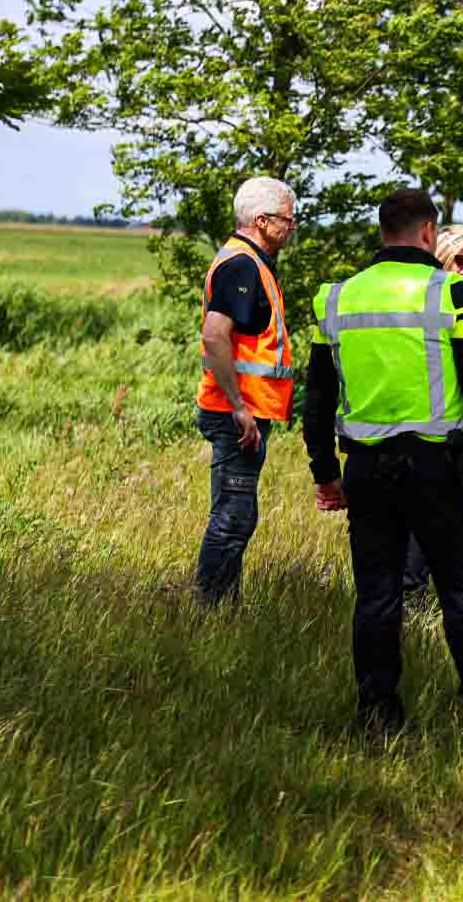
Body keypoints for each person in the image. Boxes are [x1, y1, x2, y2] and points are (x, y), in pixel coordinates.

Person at [302, 189, 463, 748]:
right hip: (436, 468)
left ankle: (378, 717)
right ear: (429, 232)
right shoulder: (447, 291)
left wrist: (323, 470)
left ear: (382, 231)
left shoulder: (335, 298)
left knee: (377, 597)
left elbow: (317, 397)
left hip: (365, 470)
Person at [194, 175, 297, 606]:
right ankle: (211, 611)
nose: (291, 229)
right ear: (261, 220)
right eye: (287, 221)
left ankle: (224, 608)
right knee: (233, 518)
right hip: (237, 415)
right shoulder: (242, 265)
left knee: (238, 516)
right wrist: (238, 407)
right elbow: (215, 336)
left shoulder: (251, 262)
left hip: (248, 412)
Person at [402, 222, 463, 606]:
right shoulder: (448, 299)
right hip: (442, 430)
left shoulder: (454, 296)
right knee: (439, 525)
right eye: (461, 258)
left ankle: (423, 597)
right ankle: (422, 599)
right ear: (442, 257)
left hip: (446, 427)